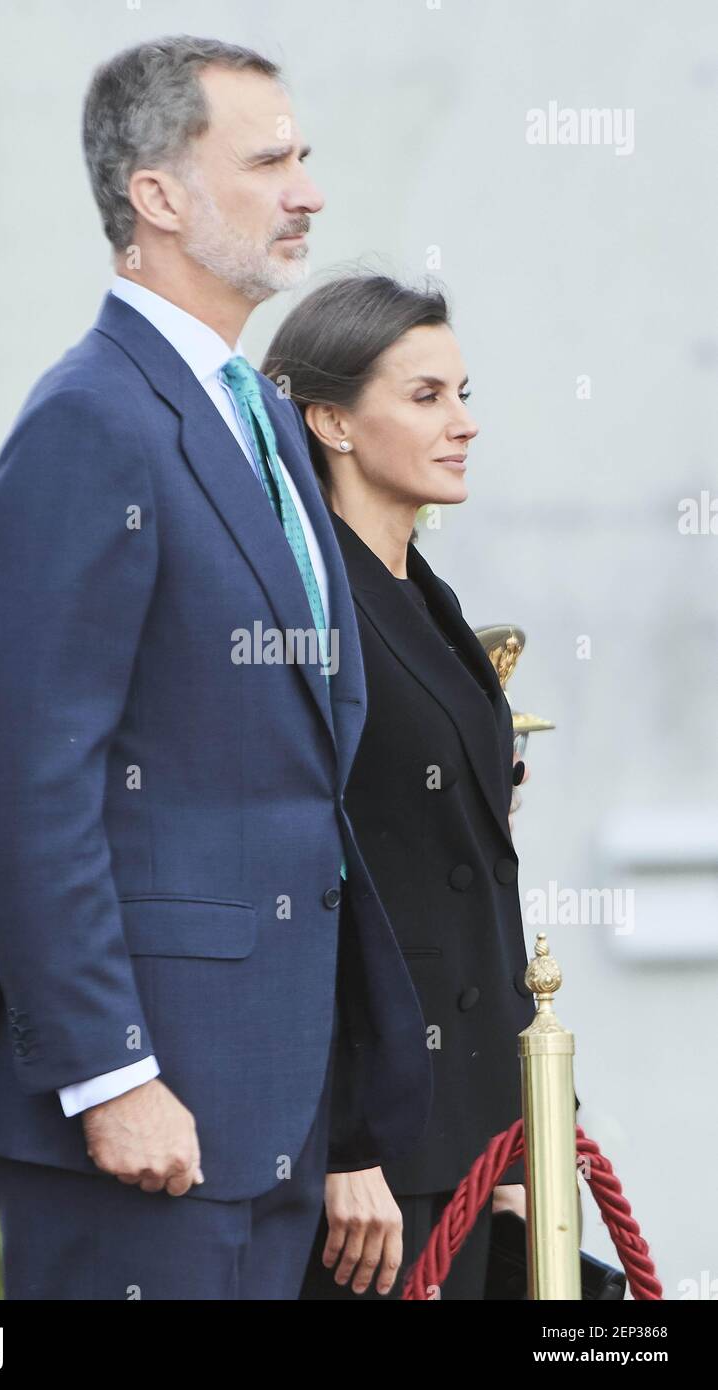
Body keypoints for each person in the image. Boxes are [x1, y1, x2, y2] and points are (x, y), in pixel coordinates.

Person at [0, 41, 433, 1301]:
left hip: (274, 1109)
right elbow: (32, 775)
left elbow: (293, 757)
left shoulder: (254, 416)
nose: (306, 189)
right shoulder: (93, 417)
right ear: (157, 197)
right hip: (148, 1120)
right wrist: (110, 1072)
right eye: (269, 159)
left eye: (304, 157)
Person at [262, 273, 546, 1299]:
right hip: (373, 1149)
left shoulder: (425, 596)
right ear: (329, 418)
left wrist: (515, 1143)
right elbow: (297, 883)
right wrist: (342, 1143)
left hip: (466, 1127)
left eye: (462, 392)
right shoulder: (302, 606)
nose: (463, 423)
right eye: (425, 397)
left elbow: (477, 885)